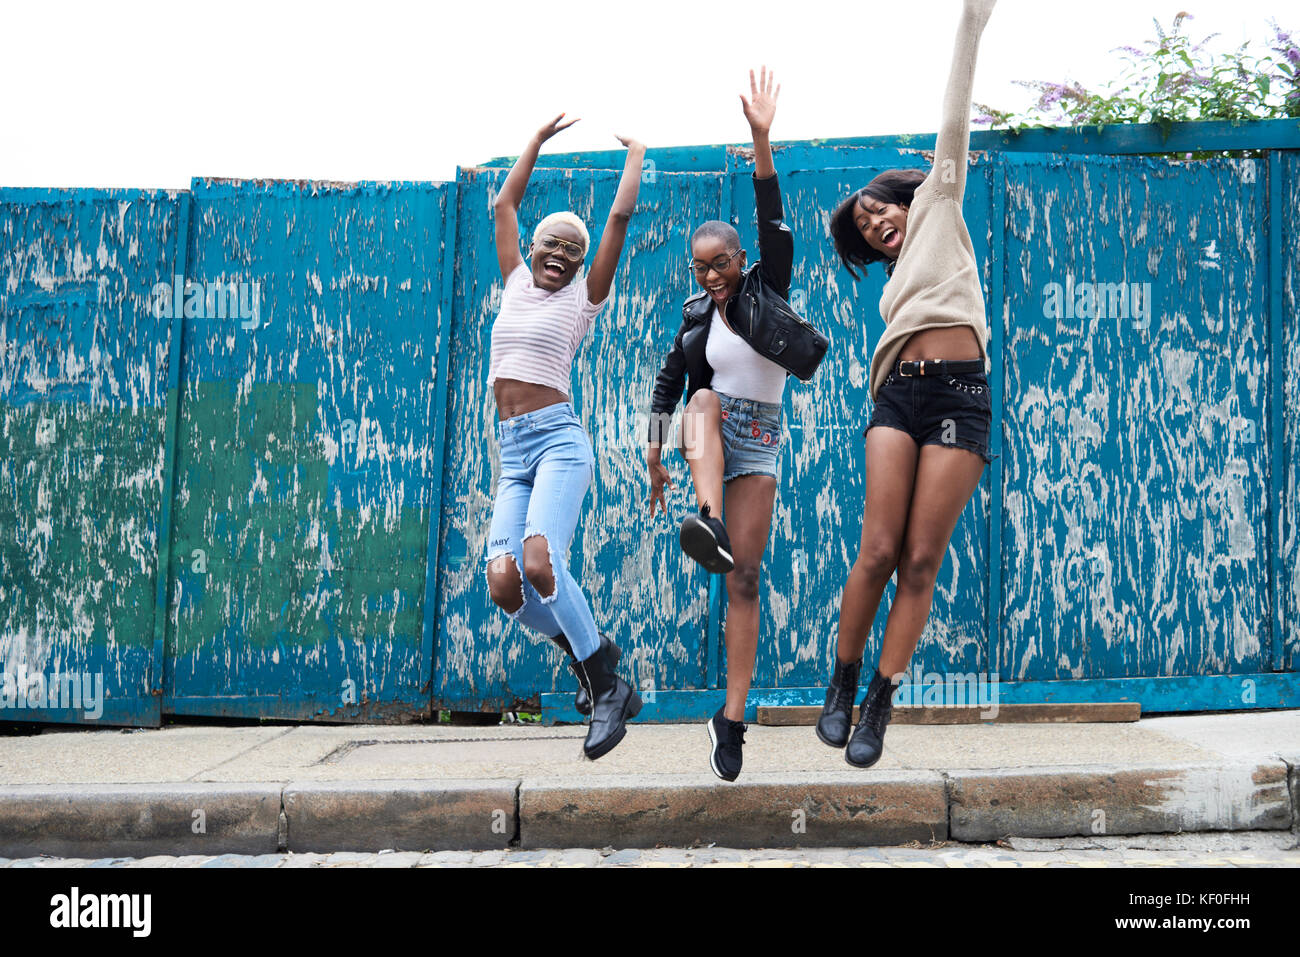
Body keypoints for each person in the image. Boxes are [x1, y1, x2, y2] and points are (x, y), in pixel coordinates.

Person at [817, 0, 999, 768]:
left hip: (961, 395)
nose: (872, 225)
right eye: (862, 230)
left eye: (874, 211)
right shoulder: (896, 286)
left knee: (922, 558)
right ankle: (841, 680)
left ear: (902, 197)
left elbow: (953, 117)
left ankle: (878, 707)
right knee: (877, 549)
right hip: (898, 395)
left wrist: (972, 19)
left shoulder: (940, 204)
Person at [647, 68, 793, 782]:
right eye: (701, 267)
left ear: (742, 259)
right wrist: (653, 452)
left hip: (760, 435)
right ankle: (707, 518)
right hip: (709, 433)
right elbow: (669, 385)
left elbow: (773, 220)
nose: (711, 276)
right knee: (701, 400)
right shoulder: (695, 316)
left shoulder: (768, 286)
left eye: (721, 264)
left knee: (745, 580)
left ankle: (731, 718)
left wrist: (760, 141)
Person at [485, 114, 646, 760]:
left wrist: (636, 152)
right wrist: (537, 143)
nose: (556, 254)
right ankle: (596, 661)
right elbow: (505, 203)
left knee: (540, 561)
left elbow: (617, 222)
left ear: (580, 265)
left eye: (568, 251)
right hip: (512, 451)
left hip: (557, 442)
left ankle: (605, 687)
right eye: (548, 243)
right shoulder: (517, 282)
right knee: (504, 583)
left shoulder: (584, 298)